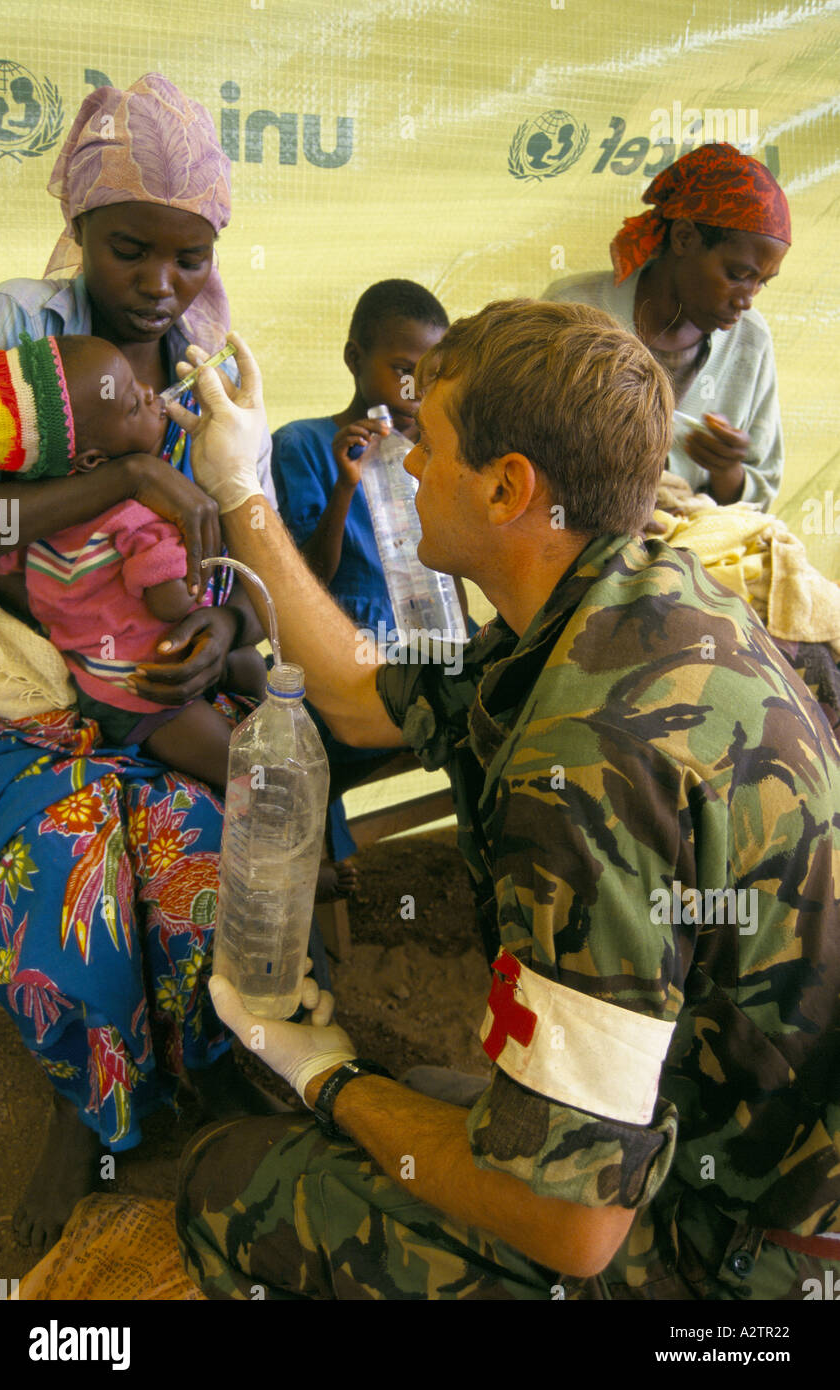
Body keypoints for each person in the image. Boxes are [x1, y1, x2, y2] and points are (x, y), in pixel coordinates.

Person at [173, 313, 839, 1300]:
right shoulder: (633, 595)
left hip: (748, 1257)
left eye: (427, 446)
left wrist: (328, 1075)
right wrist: (245, 488)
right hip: (752, 1145)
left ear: (506, 485)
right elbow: (360, 695)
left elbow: (574, 1228)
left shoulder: (585, 759)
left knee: (233, 1186)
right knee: (444, 1114)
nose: (406, 472)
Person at [0, 73, 279, 1258]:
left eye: (189, 256)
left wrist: (216, 631)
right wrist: (129, 475)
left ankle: (220, 1082)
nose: (161, 284)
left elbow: (227, 551)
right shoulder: (14, 332)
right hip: (23, 695)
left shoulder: (209, 360)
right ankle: (92, 1117)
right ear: (78, 228)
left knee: (209, 846)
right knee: (71, 868)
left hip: (157, 676)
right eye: (129, 249)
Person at [0, 332, 266, 790]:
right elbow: (172, 605)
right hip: (148, 694)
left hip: (95, 683)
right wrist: (199, 564)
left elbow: (2, 568)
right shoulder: (138, 520)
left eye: (137, 385)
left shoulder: (41, 521)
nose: (152, 394)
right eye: (133, 404)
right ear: (94, 460)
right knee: (246, 774)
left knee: (245, 662)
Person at [271, 278, 456, 864]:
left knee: (490, 718)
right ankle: (323, 857)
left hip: (428, 654)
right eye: (401, 368)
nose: (412, 390)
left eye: (427, 378)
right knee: (292, 738)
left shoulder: (432, 455)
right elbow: (307, 579)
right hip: (342, 658)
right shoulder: (302, 445)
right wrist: (345, 488)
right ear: (355, 358)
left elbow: (449, 570)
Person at [544, 142, 790, 510]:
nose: (747, 299)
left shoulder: (750, 342)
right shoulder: (573, 311)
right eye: (738, 275)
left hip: (692, 556)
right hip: (575, 537)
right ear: (684, 237)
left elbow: (757, 495)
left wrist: (727, 468)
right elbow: (523, 443)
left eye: (762, 282)